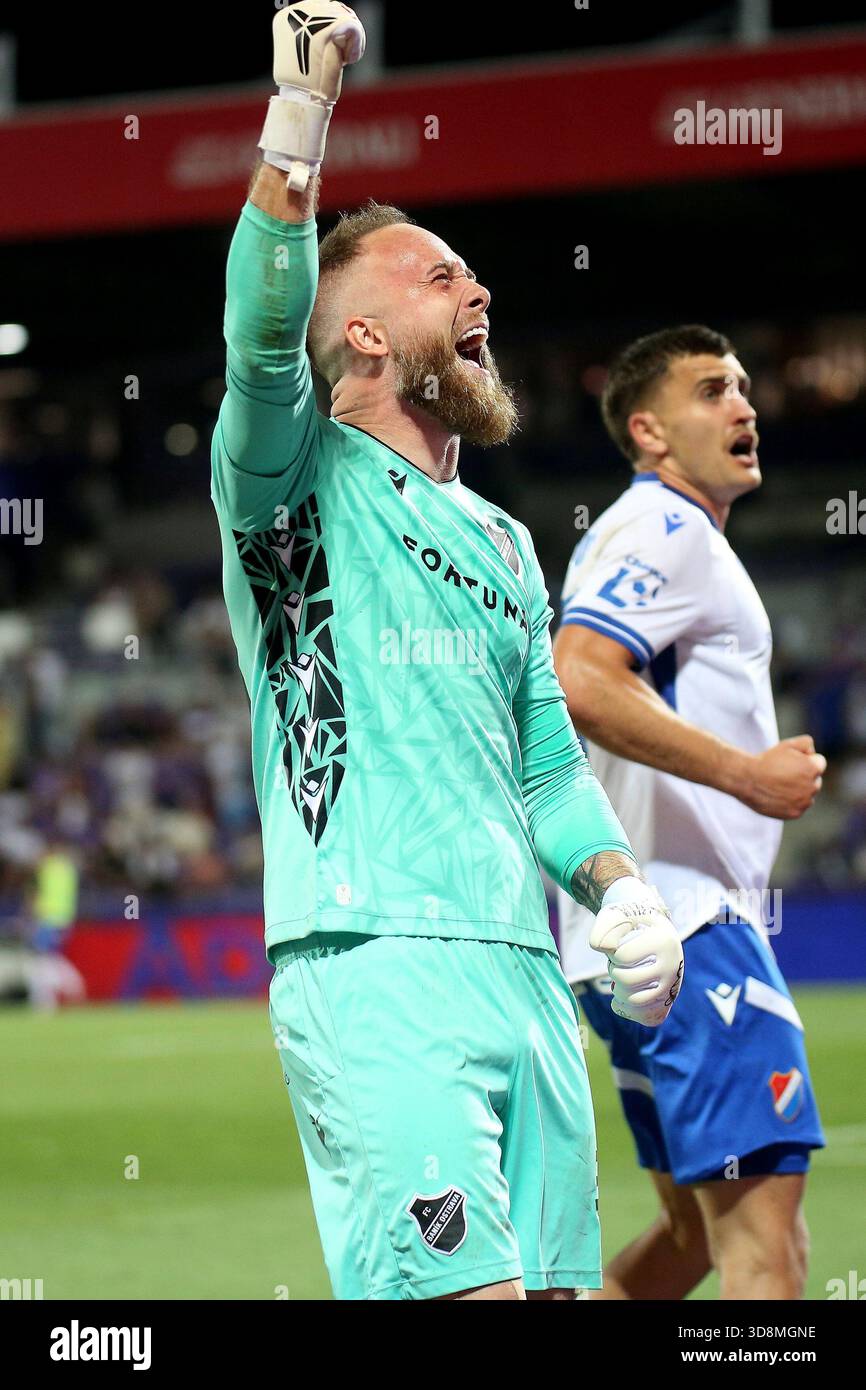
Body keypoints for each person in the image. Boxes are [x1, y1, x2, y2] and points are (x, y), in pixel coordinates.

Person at [209, 3, 683, 1301]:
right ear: (358, 332)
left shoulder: (501, 540)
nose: (477, 291)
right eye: (436, 278)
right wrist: (297, 118)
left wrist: (616, 886)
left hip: (522, 974)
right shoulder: (287, 482)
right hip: (373, 961)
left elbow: (542, 758)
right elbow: (261, 336)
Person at [553, 325, 826, 1300]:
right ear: (648, 431)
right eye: (711, 389)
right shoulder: (665, 530)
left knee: (689, 1238)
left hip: (618, 942)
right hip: (688, 925)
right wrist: (746, 777)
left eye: (744, 387)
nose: (743, 405)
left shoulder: (638, 534)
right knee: (764, 1245)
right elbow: (578, 675)